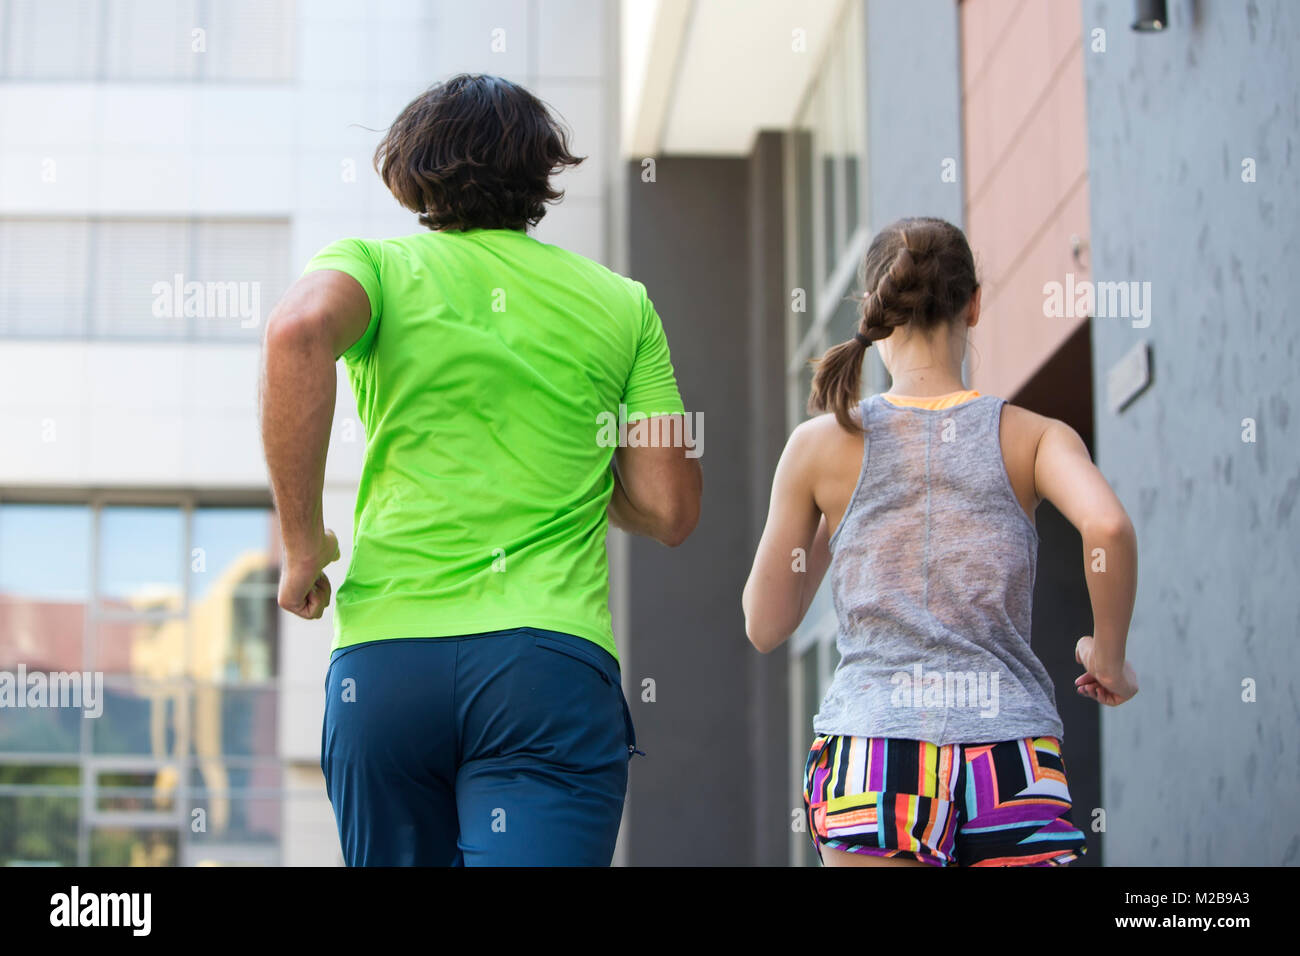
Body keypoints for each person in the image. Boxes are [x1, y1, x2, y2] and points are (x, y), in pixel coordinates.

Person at [259, 74, 701, 866]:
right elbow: (670, 508)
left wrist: (300, 546)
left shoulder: (374, 267)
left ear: (409, 167)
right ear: (541, 175)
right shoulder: (623, 303)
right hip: (545, 669)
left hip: (386, 668)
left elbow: (295, 332)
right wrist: (580, 468)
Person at [743, 216, 1138, 867]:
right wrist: (1108, 659)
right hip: (1007, 752)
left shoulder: (818, 447)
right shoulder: (1035, 436)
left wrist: (834, 518)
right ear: (975, 304)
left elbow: (764, 623)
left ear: (871, 308)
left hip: (873, 753)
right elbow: (1109, 528)